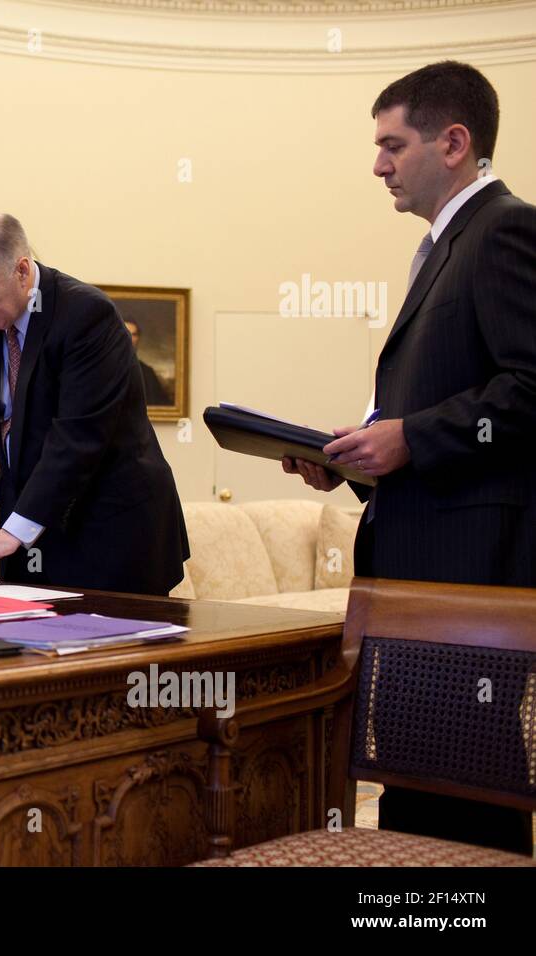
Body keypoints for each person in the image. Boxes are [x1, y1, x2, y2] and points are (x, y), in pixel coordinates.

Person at [282, 61, 535, 854]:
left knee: (465, 791)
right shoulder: (443, 246)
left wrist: (410, 437)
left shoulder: (505, 230)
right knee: (416, 784)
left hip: (473, 573)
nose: (378, 164)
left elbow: (530, 387)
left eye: (393, 145)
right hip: (423, 564)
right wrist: (360, 460)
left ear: (453, 142)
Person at [0, 213, 188, 593]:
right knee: (24, 645)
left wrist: (13, 530)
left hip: (109, 529)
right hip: (28, 525)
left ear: (22, 272)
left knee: (109, 648)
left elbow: (77, 438)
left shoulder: (87, 316)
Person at [124, 320, 173, 406]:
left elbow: (162, 405)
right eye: (126, 333)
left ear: (138, 338)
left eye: (134, 334)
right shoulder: (106, 370)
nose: (130, 338)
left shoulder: (147, 372)